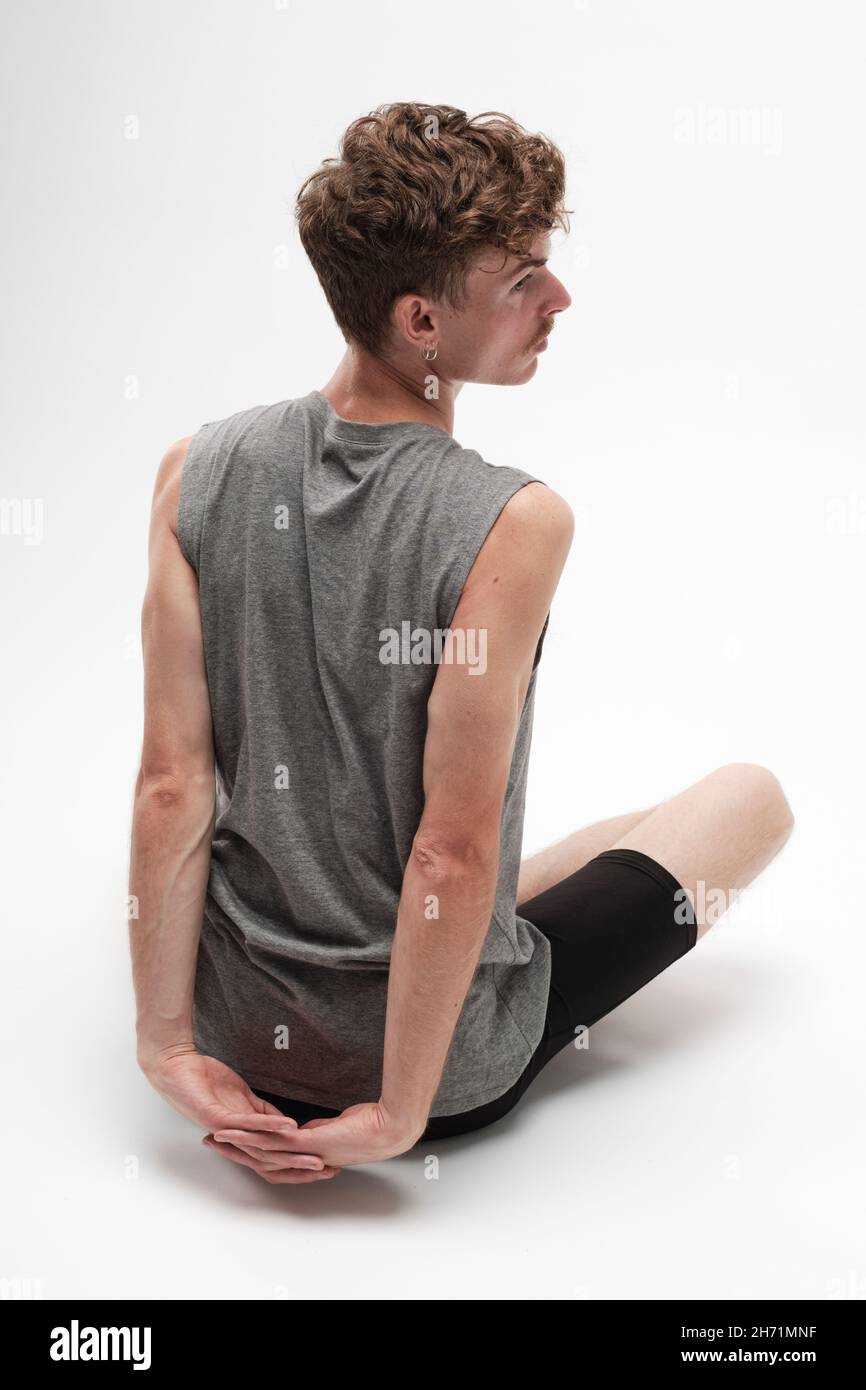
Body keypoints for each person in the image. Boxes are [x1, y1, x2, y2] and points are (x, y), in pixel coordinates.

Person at [128, 103, 795, 1184]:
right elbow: (449, 848)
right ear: (419, 322)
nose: (558, 297)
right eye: (522, 277)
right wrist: (395, 1114)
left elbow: (170, 785)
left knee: (618, 829)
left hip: (236, 1035)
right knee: (752, 795)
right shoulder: (510, 520)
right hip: (427, 1075)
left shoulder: (191, 469)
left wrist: (166, 1047)